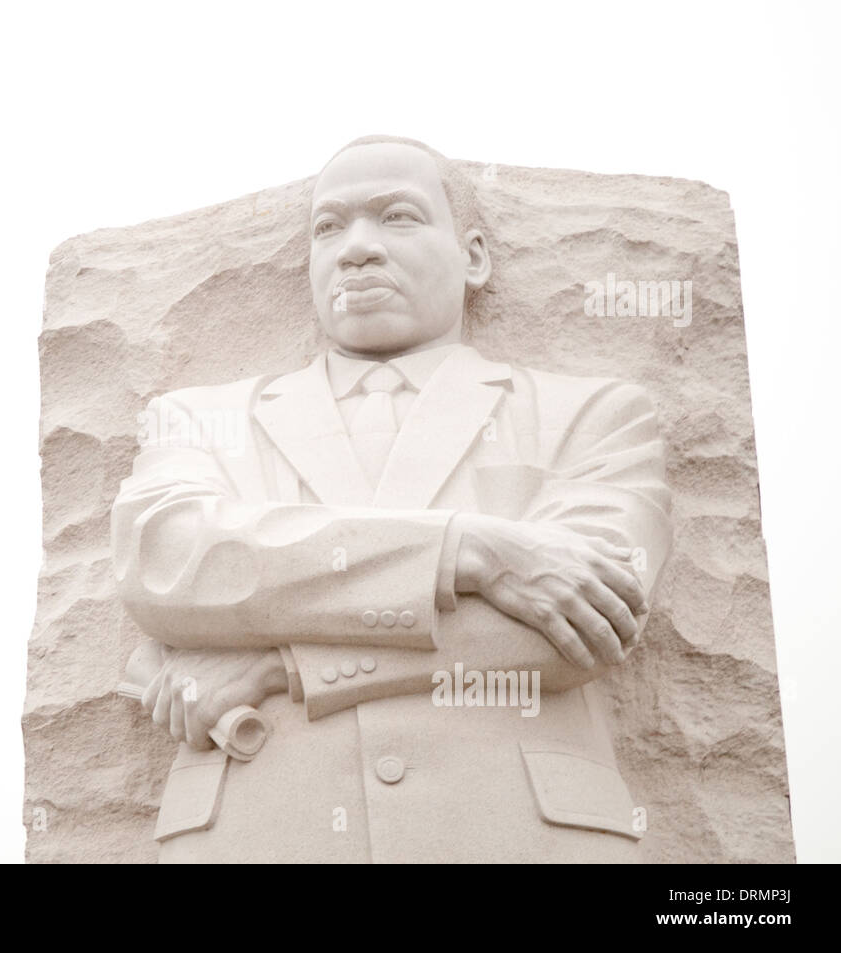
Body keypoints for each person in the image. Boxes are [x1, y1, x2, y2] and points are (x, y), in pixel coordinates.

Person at [110, 135, 673, 862]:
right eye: (328, 227)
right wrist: (470, 550)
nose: (357, 248)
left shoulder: (591, 414)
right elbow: (170, 565)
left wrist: (281, 664)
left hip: (522, 833)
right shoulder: (201, 421)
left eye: (398, 217)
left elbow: (578, 626)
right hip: (263, 832)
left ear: (474, 256)